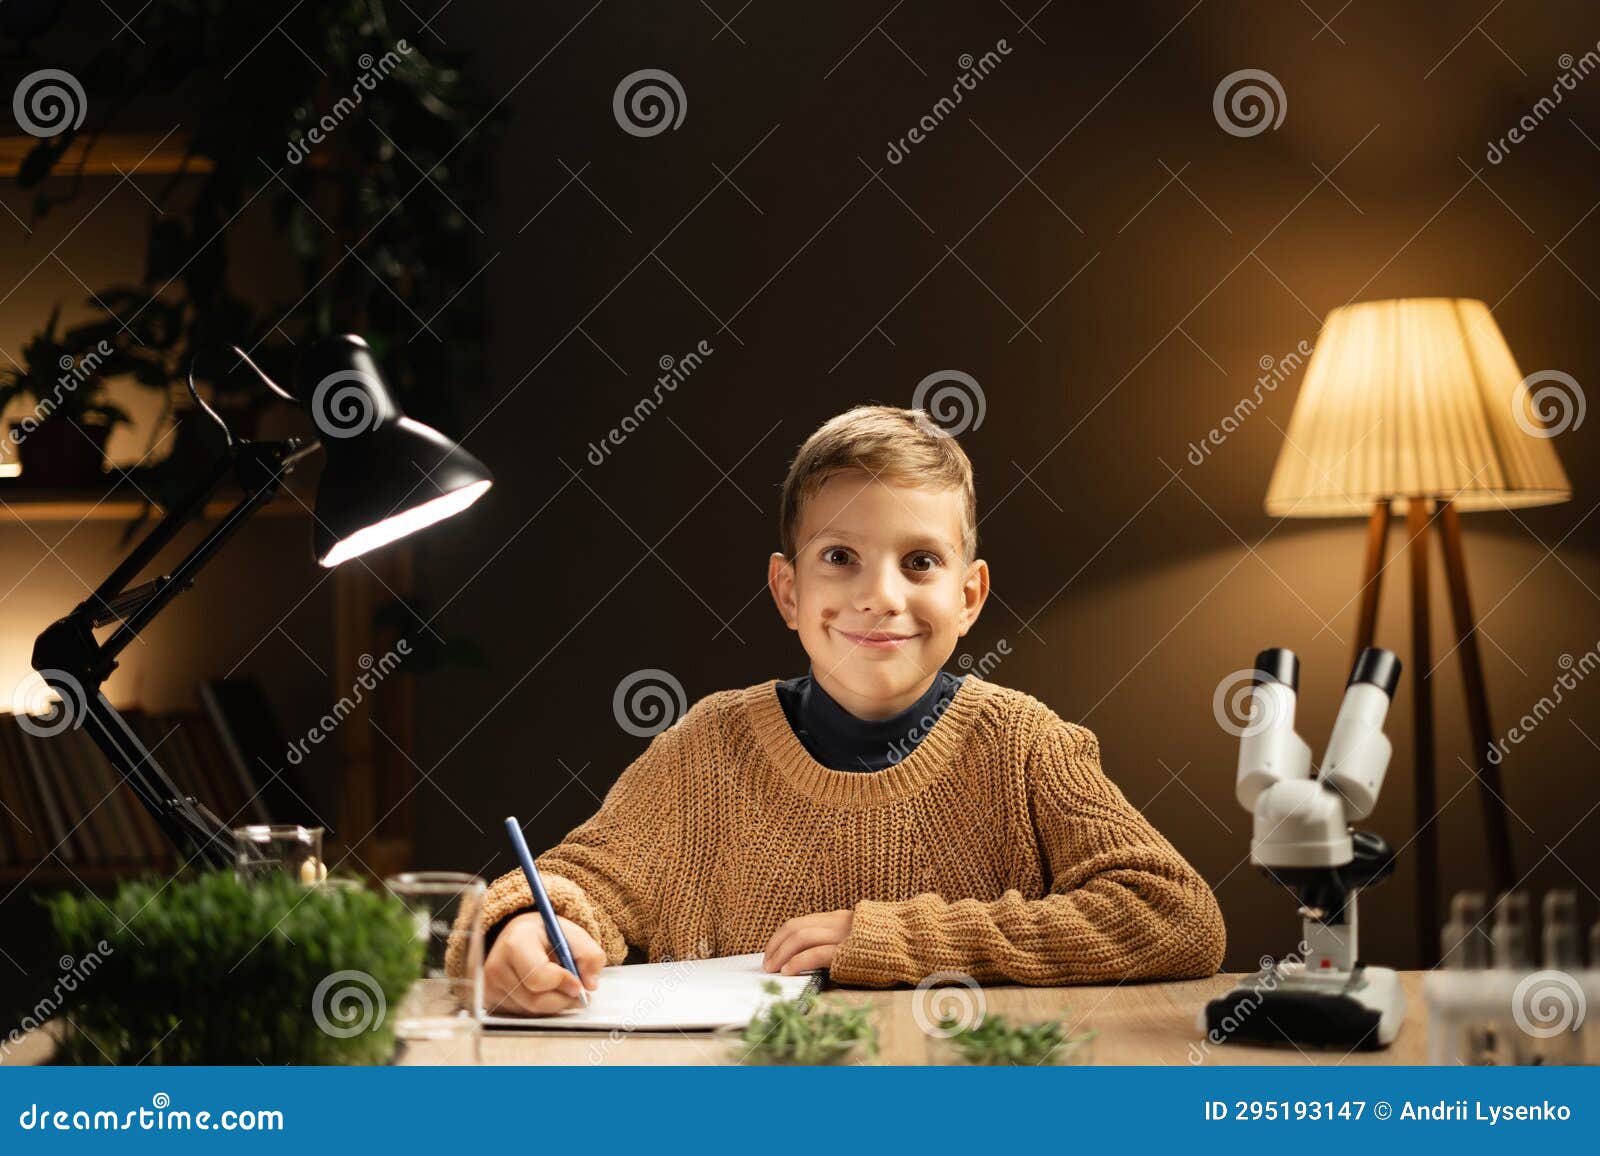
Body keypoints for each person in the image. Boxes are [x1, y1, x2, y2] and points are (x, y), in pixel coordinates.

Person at [474, 405, 1225, 1014]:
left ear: (969, 597)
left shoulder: (1025, 744)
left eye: (920, 562)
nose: (880, 597)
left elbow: (1173, 914)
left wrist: (903, 939)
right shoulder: (706, 749)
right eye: (840, 557)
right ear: (788, 591)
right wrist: (534, 925)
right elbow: (587, 879)